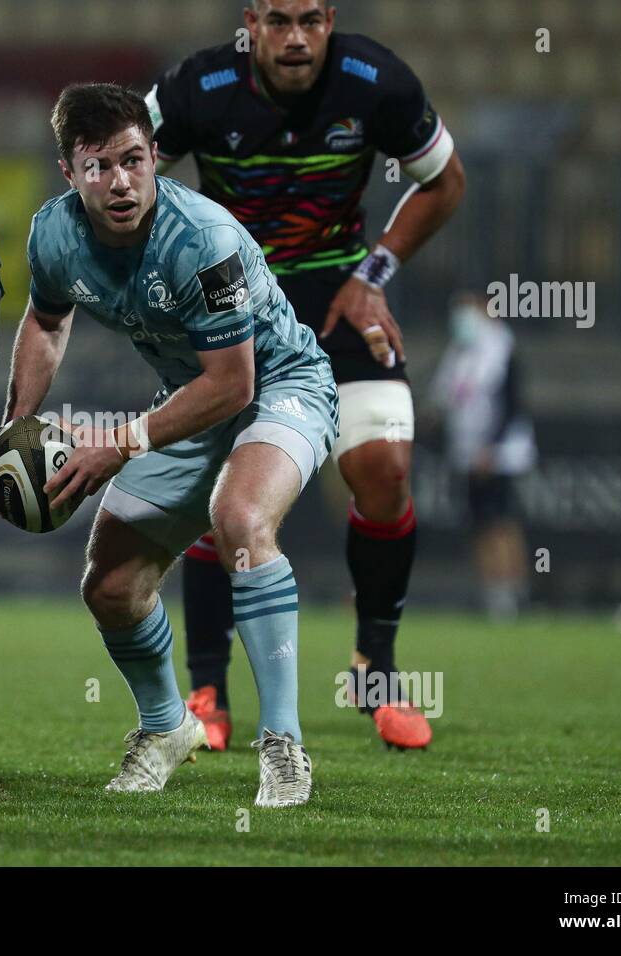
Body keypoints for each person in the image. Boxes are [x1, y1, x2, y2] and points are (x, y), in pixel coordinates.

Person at [0, 82, 338, 808]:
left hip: (279, 385)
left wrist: (116, 445)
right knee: (111, 588)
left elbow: (235, 384)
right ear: (70, 171)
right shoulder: (53, 234)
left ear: (155, 155)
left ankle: (282, 744)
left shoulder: (205, 243)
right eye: (99, 166)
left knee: (241, 518)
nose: (120, 182)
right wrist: (19, 422)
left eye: (133, 160)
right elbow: (47, 321)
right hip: (190, 399)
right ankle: (166, 728)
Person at [147, 0, 465, 750]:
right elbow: (127, 176)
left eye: (313, 20)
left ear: (331, 21)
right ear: (250, 22)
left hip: (338, 307)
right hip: (237, 316)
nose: (297, 38)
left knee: (385, 469)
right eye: (280, 20)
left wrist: (374, 273)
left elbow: (445, 182)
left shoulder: (375, 80)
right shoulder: (199, 86)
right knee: (215, 491)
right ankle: (208, 692)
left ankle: (374, 671)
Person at [429, 294, 535, 621]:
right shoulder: (459, 353)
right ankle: (493, 593)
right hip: (467, 452)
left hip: (499, 454)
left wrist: (492, 448)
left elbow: (513, 405)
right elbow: (443, 399)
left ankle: (512, 591)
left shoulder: (502, 349)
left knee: (500, 522)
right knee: (479, 524)